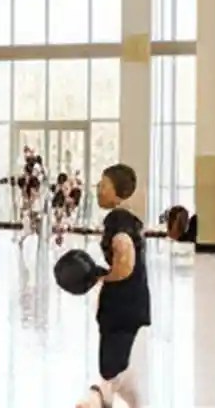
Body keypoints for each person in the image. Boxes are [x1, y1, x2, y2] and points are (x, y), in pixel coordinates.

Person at [76, 164, 150, 408]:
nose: (98, 189)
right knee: (120, 372)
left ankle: (96, 398)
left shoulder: (117, 220)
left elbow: (125, 263)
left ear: (117, 191)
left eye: (103, 185)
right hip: (133, 302)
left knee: (112, 371)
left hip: (121, 306)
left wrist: (100, 277)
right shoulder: (132, 218)